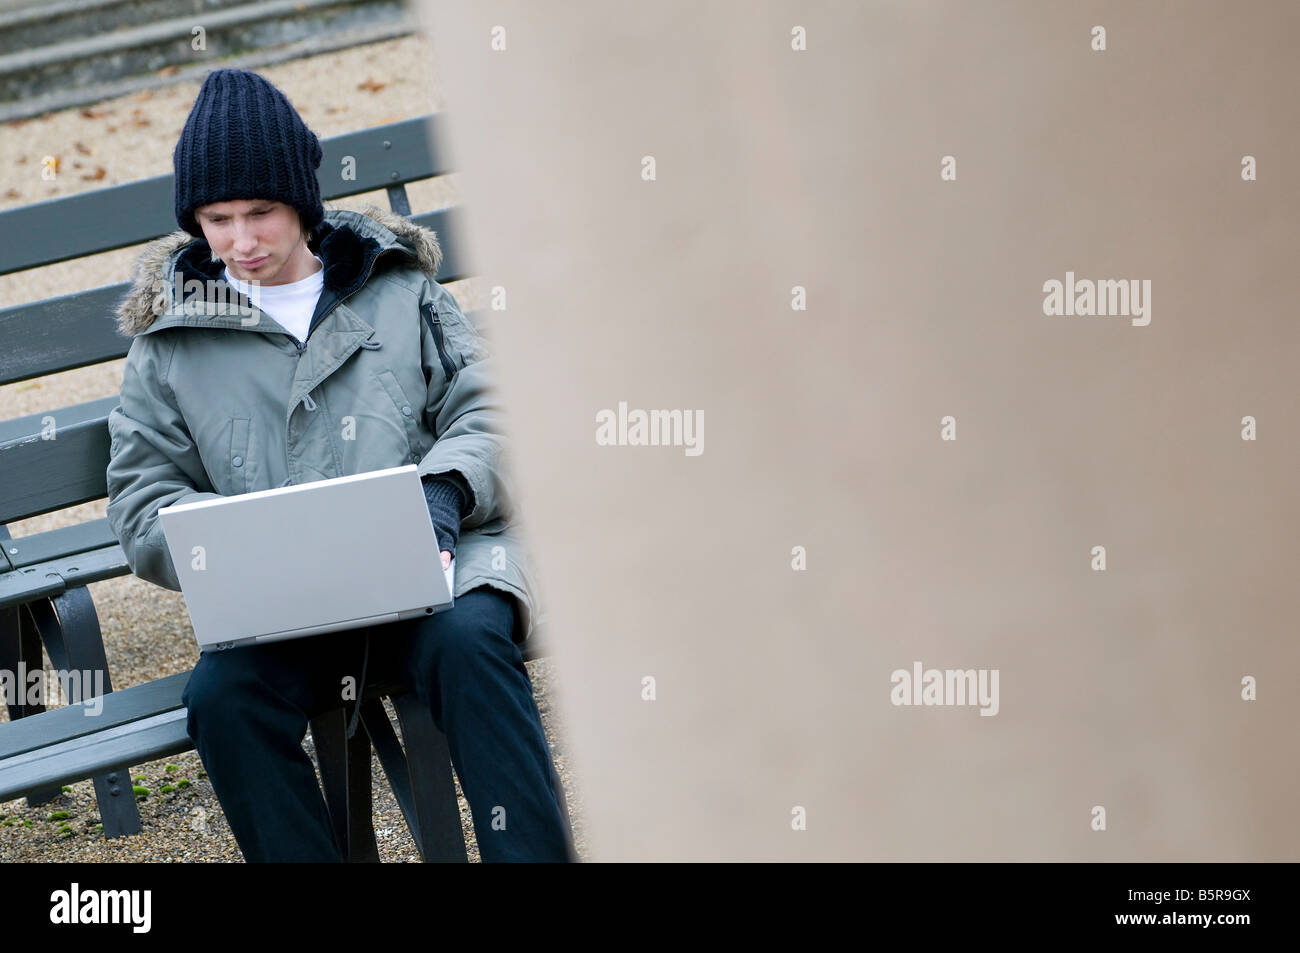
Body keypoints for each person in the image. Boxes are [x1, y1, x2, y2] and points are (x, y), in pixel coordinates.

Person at [104, 68, 575, 862]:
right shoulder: (170, 344)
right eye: (218, 219)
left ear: (302, 206)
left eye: (262, 213)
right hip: (282, 607)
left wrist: (446, 491)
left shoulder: (398, 289)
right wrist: (216, 544)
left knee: (473, 643)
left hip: (437, 574)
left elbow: (490, 407)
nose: (242, 241)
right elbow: (144, 494)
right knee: (224, 699)